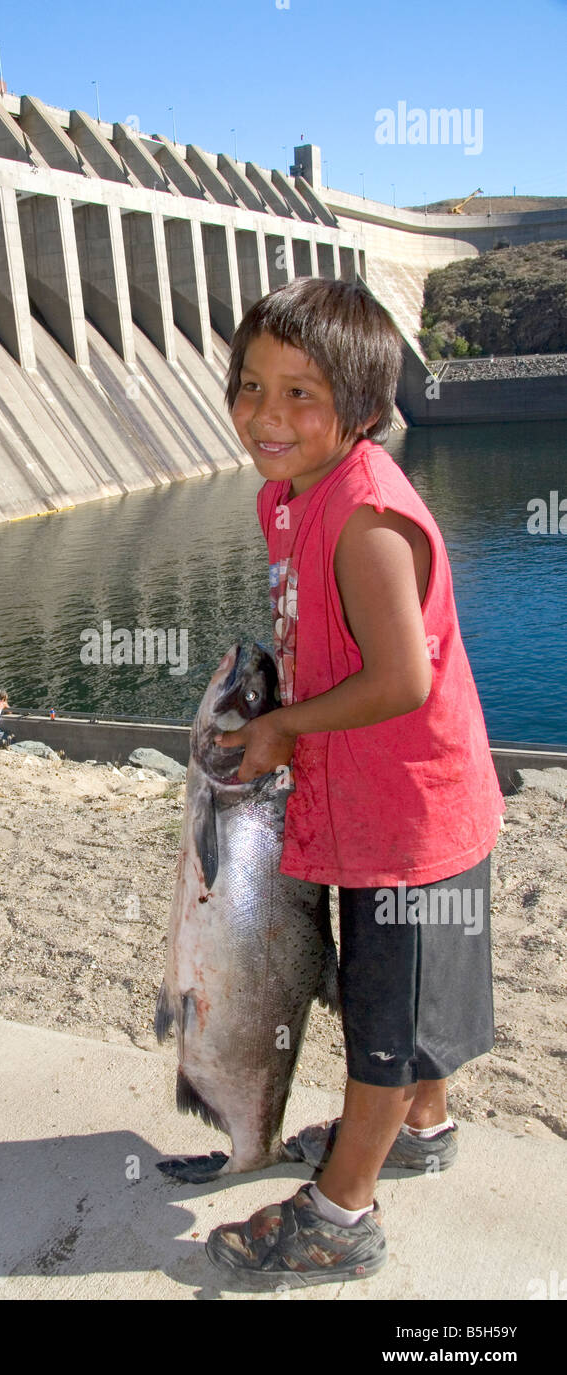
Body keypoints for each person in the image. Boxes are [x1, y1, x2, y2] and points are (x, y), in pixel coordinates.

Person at [204, 278, 504, 1290]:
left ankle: (342, 1215)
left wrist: (285, 722)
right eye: (251, 385)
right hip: (372, 801)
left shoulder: (367, 515)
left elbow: (399, 678)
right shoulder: (288, 495)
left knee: (383, 1025)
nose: (265, 414)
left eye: (301, 393)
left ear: (363, 410)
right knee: (404, 1006)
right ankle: (420, 1124)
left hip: (408, 816)